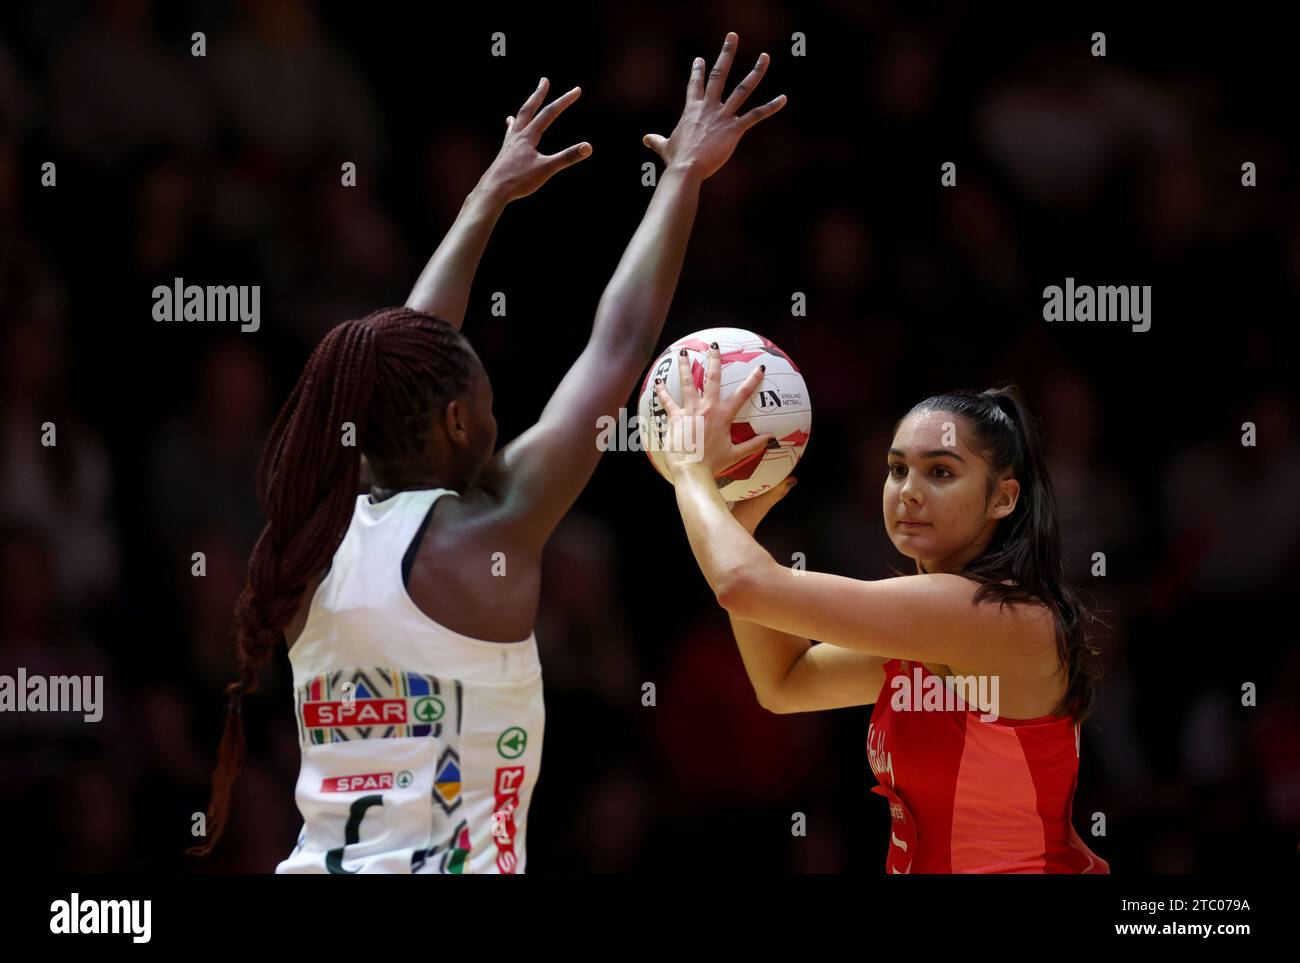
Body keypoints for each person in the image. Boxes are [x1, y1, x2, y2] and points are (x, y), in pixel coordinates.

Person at [188, 33, 786, 873]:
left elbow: (401, 356)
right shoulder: (487, 533)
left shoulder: (311, 543)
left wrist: (487, 194)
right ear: (461, 426)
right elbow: (618, 348)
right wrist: (683, 176)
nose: (501, 417)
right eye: (490, 401)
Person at [652, 354, 1109, 873]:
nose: (908, 490)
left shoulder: (990, 616)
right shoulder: (935, 635)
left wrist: (690, 470)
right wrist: (740, 528)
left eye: (940, 471)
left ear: (1003, 499)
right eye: (897, 469)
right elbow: (784, 682)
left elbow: (743, 584)